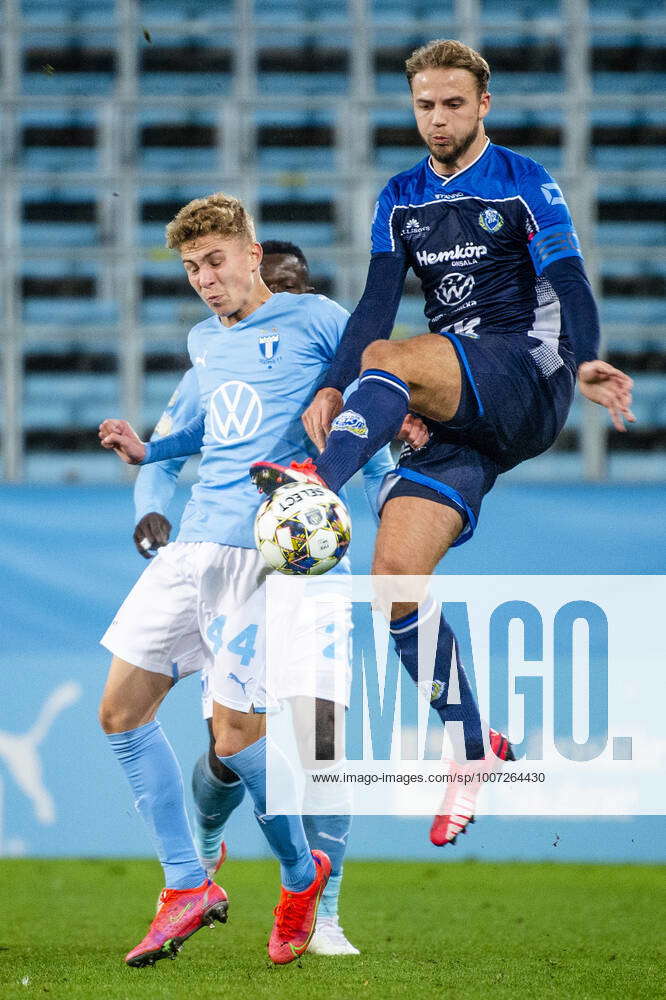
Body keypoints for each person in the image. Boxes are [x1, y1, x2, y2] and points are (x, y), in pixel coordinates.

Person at [249, 39, 635, 847]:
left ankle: (312, 484)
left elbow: (569, 279)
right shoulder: (399, 197)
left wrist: (591, 354)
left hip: (526, 374)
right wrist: (336, 385)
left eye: (454, 103)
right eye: (425, 104)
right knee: (393, 581)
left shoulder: (525, 181)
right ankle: (472, 747)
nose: (438, 117)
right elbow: (374, 302)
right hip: (461, 404)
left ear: (483, 105)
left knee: (391, 361)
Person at [98, 193, 423, 967]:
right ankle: (189, 883)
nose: (205, 280)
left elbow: (374, 384)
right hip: (195, 554)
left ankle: (304, 878)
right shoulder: (203, 338)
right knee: (119, 713)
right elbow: (213, 428)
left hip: (277, 557)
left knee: (247, 735)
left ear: (249, 252)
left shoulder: (315, 319)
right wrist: (153, 454)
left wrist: (405, 417)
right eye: (190, 269)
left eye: (214, 262)